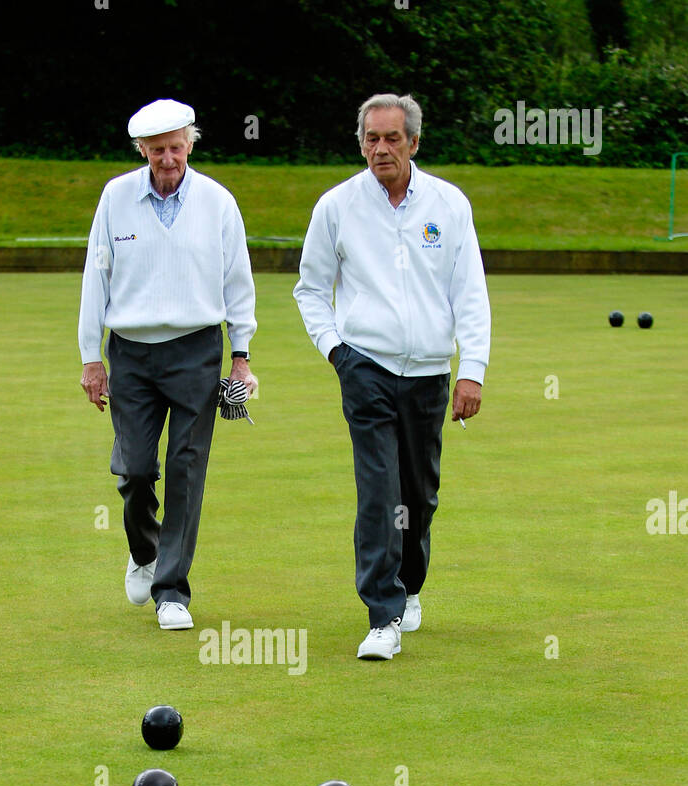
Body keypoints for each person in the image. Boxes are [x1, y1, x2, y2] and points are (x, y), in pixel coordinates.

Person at [294, 93, 491, 660]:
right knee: (379, 492)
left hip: (429, 372)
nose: (381, 149)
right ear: (361, 143)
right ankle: (383, 613)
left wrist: (470, 371)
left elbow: (469, 293)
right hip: (366, 367)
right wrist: (337, 352)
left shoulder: (450, 205)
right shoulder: (337, 206)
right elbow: (310, 288)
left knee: (419, 494)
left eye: (392, 139)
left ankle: (410, 585)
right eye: (371, 139)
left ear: (414, 143)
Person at [79, 99, 257, 631]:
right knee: (134, 469)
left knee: (186, 467)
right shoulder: (116, 197)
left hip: (196, 350)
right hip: (130, 353)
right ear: (142, 151)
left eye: (176, 148)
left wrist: (240, 355)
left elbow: (237, 282)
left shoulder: (218, 202)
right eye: (157, 150)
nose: (167, 159)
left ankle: (172, 590)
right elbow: (97, 278)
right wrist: (92, 357)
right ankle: (144, 551)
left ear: (190, 144)